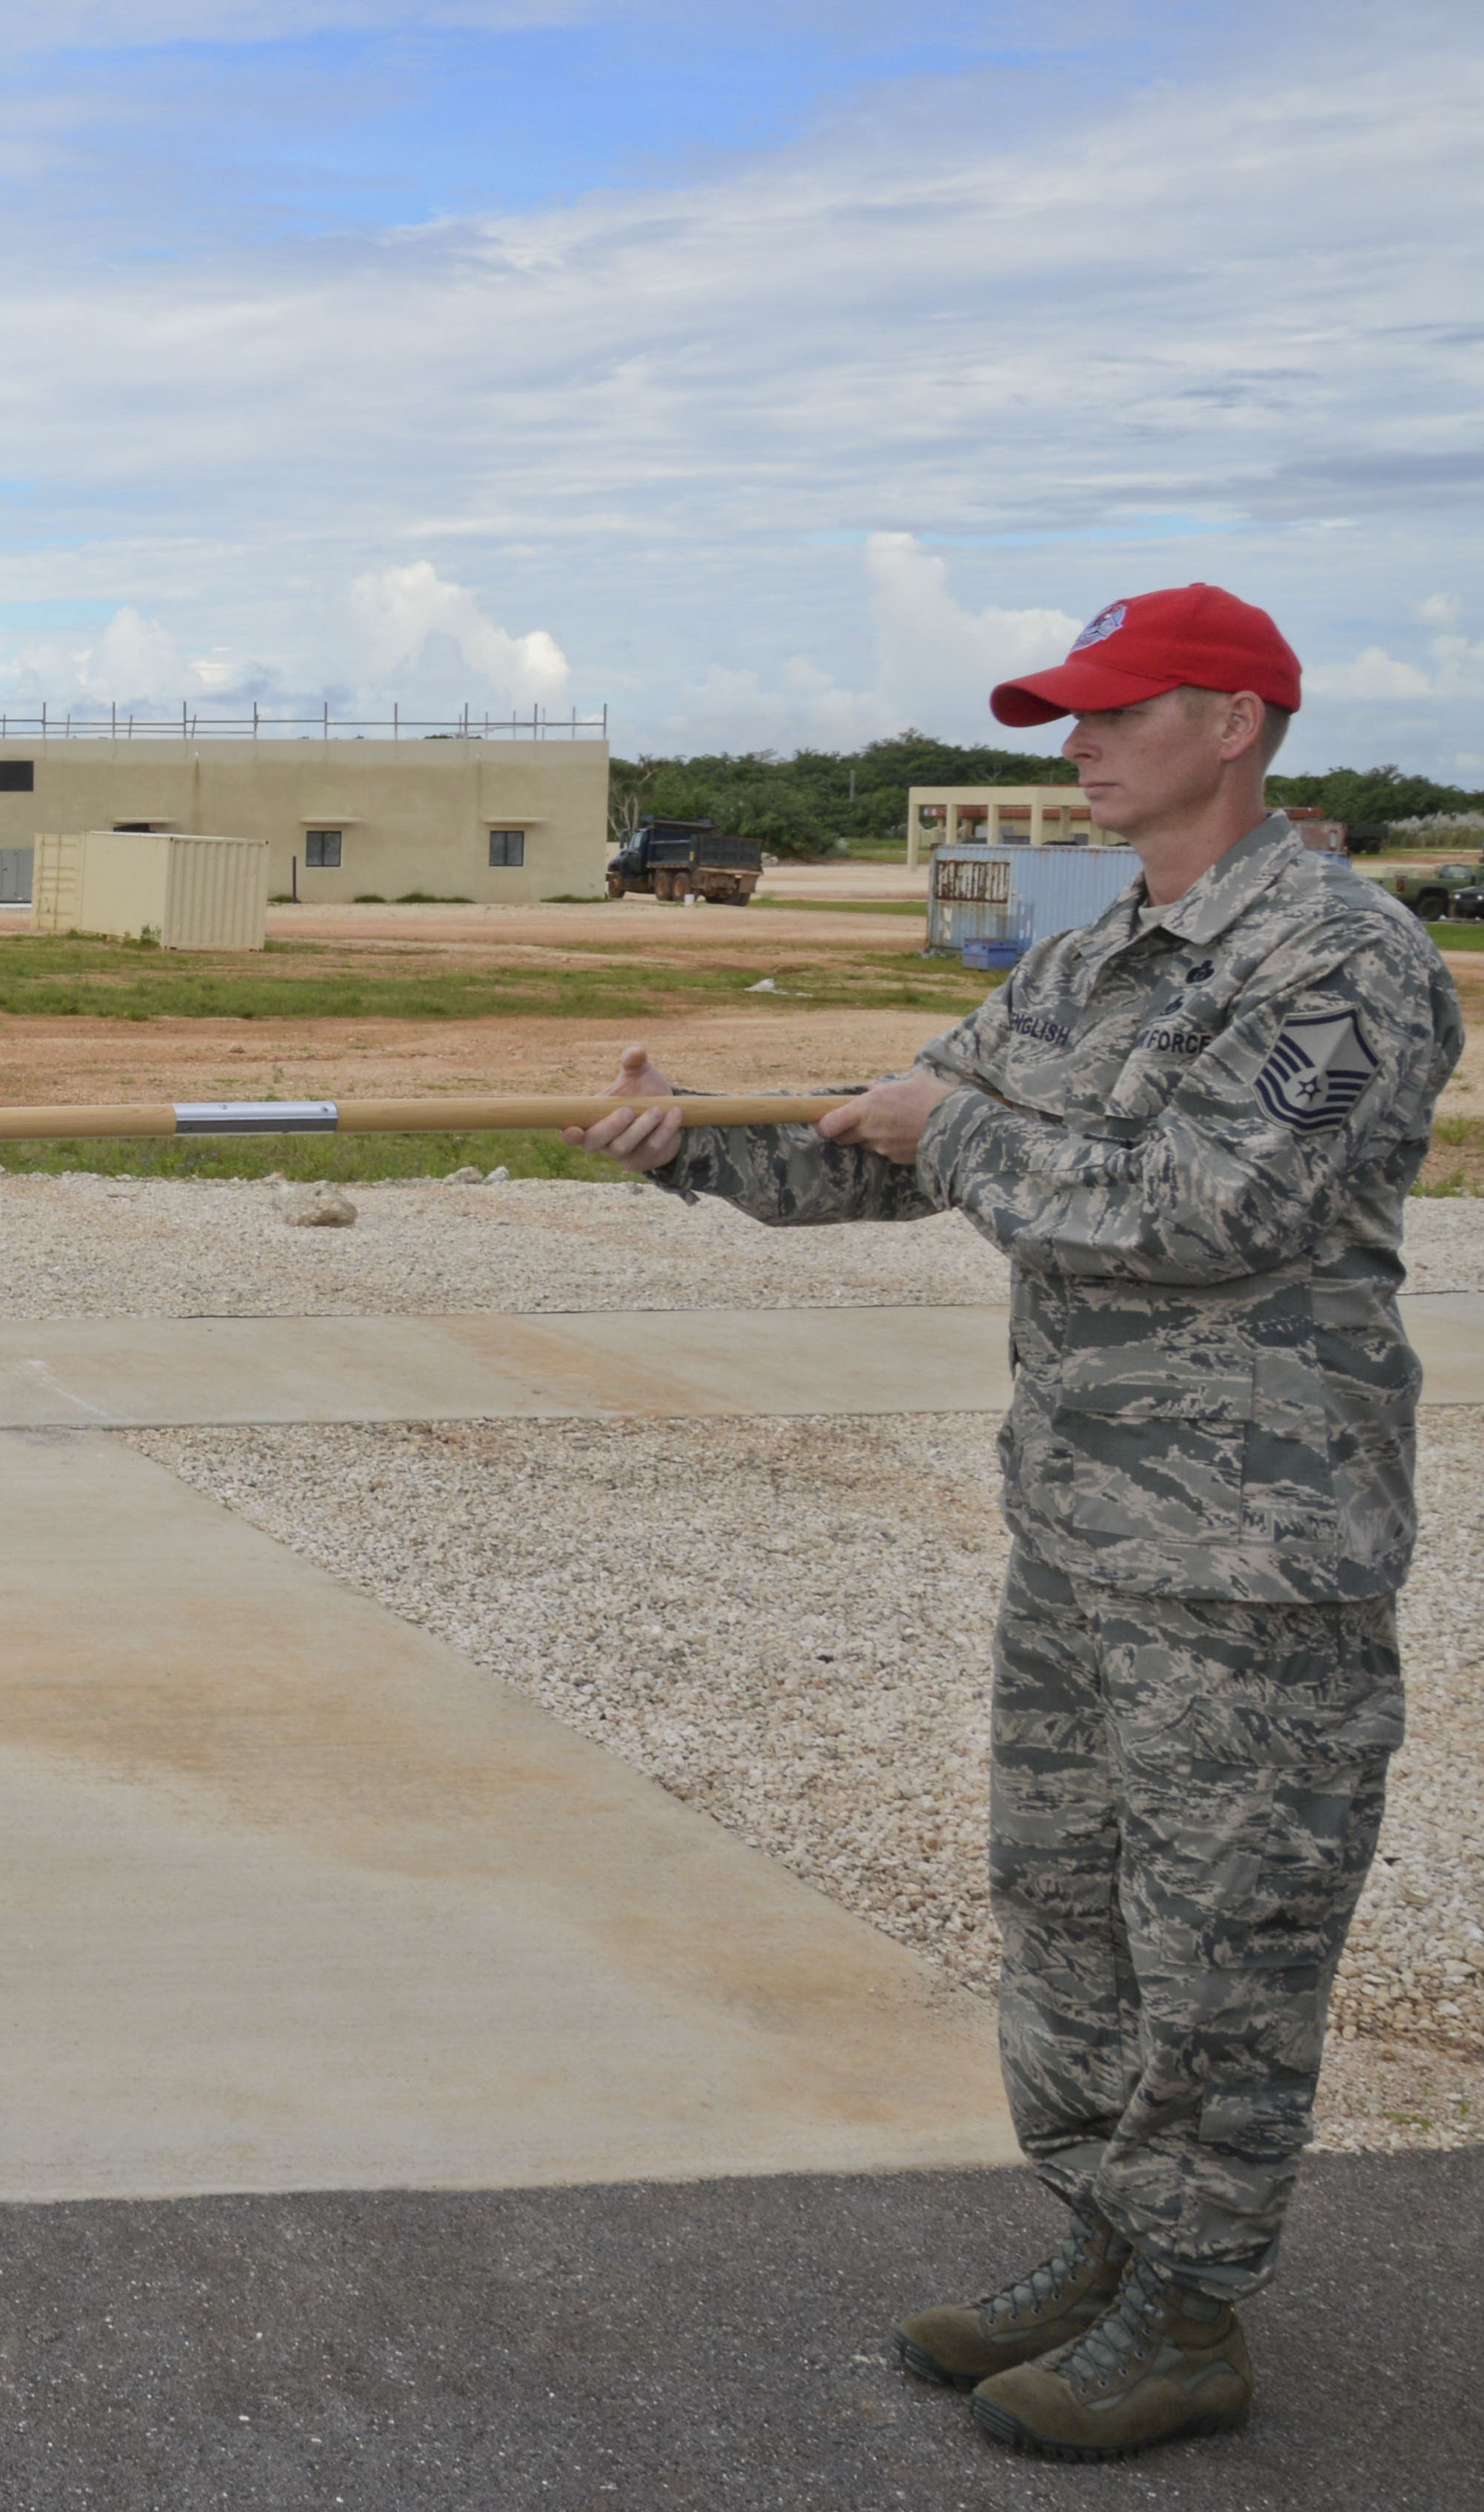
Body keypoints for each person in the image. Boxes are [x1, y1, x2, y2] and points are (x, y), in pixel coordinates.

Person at [567, 585, 1459, 2460]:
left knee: (1226, 1932)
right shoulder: (1090, 959)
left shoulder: (1338, 955)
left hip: (1253, 1559)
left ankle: (1191, 2309)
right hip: (1080, 1529)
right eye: (1072, 715)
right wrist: (698, 1152)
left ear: (1233, 723)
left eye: (1117, 713)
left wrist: (941, 1134)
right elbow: (894, 1139)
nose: (1077, 747)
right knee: (1071, 1914)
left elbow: (1209, 1208)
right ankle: (1105, 2242)